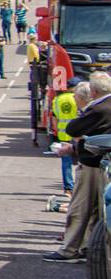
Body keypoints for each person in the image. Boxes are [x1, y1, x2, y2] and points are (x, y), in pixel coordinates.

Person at [45, 72, 111, 262]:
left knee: (80, 207)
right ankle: (88, 248)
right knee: (97, 209)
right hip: (99, 161)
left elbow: (73, 128)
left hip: (92, 163)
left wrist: (75, 143)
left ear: (95, 90)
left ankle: (70, 250)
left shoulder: (99, 108)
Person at [52, 79, 87, 195]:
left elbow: (54, 118)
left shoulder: (57, 99)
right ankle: (80, 187)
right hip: (78, 134)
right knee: (81, 163)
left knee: (66, 162)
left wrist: (55, 132)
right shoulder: (79, 98)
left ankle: (68, 187)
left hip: (63, 134)